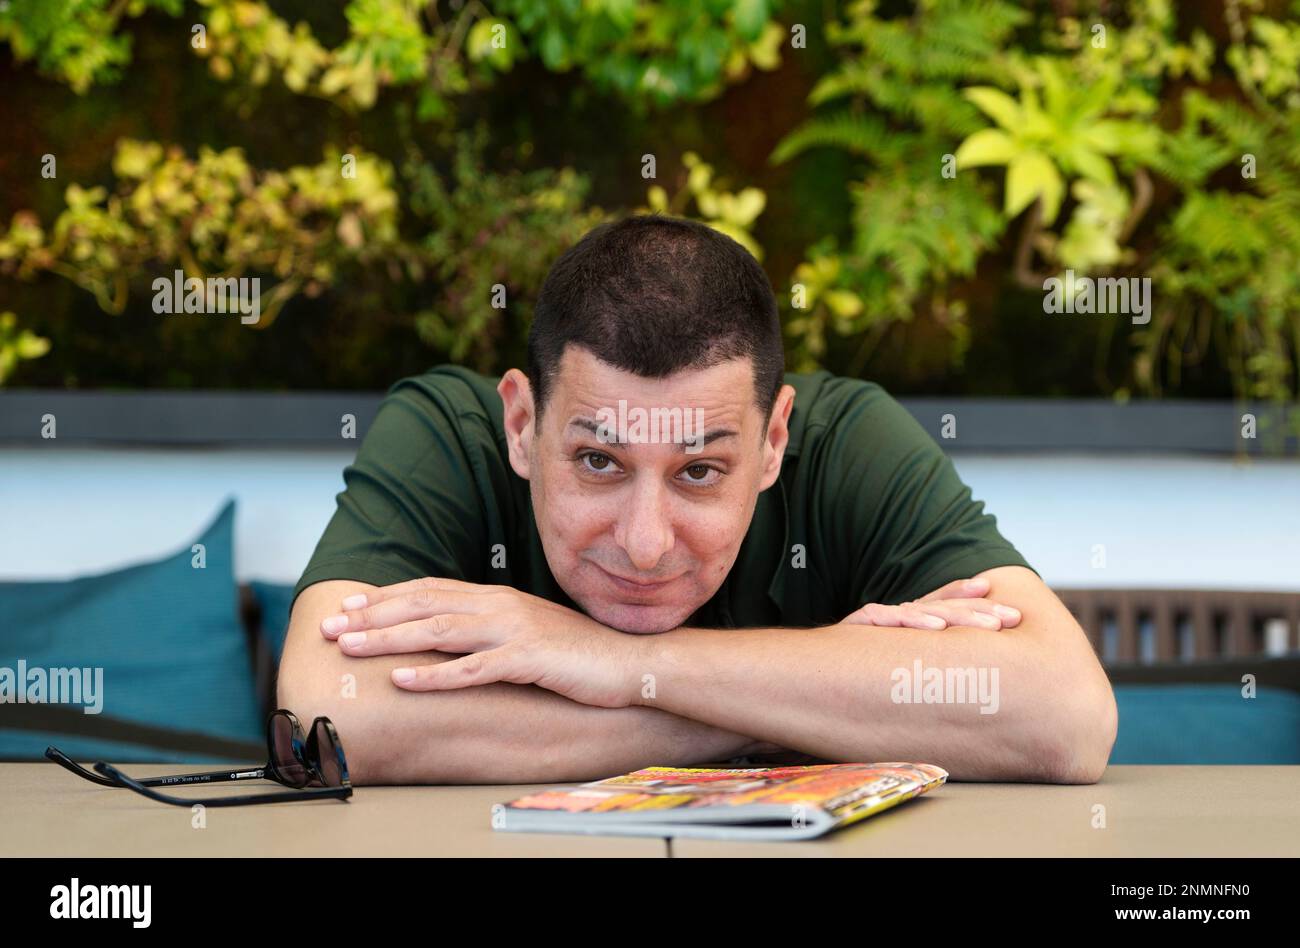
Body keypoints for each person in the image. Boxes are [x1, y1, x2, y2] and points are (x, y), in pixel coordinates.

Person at [275, 215, 1117, 785]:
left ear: (774, 440)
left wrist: (626, 667)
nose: (645, 544)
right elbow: (325, 713)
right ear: (524, 424)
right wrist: (787, 715)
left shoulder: (846, 442)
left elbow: (1065, 713)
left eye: (700, 473)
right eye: (599, 462)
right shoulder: (448, 437)